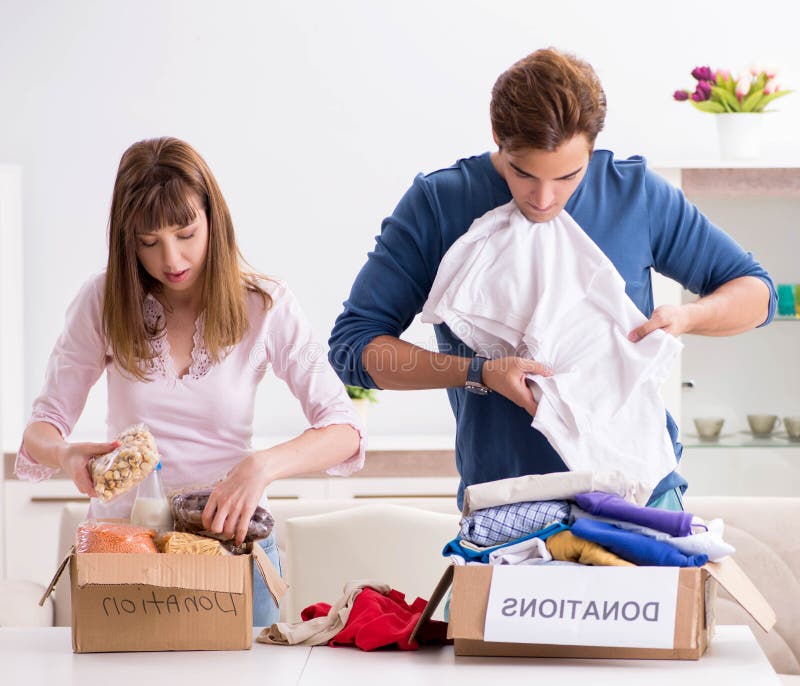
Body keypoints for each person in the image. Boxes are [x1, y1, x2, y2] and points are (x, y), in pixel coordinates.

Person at [329, 48, 776, 512]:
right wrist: (476, 373)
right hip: (504, 503)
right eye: (523, 174)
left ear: (592, 146)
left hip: (641, 492)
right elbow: (352, 349)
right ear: (498, 138)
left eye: (568, 176)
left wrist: (688, 316)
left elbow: (757, 293)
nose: (544, 198)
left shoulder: (634, 194)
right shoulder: (440, 204)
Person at [17, 137, 364, 625]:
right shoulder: (101, 301)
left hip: (232, 553)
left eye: (186, 233)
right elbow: (42, 426)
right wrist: (65, 453)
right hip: (125, 555)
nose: (172, 259)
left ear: (212, 219)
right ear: (126, 239)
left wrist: (260, 467)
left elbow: (344, 430)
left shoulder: (265, 305)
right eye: (148, 242)